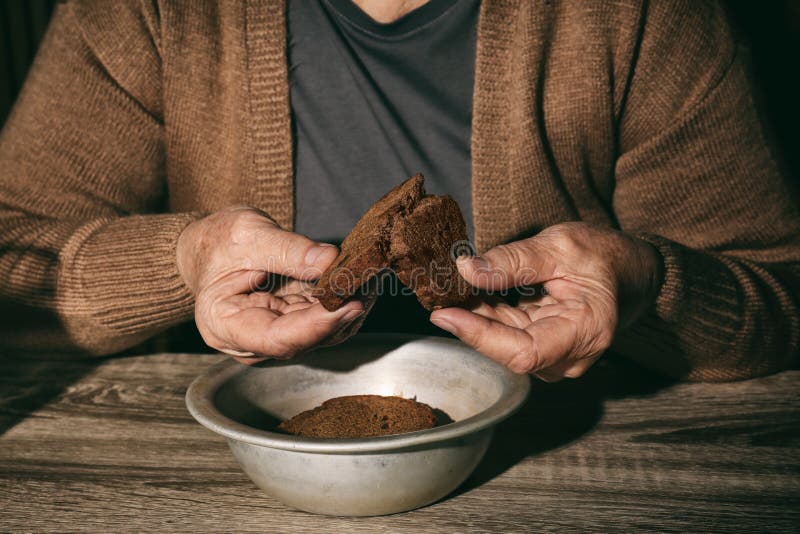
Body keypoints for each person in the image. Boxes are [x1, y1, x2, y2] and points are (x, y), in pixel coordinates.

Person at [0, 0, 798, 382]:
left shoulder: (641, 17)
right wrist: (179, 262)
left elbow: (780, 302)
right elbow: (13, 267)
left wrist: (646, 286)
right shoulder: (146, 13)